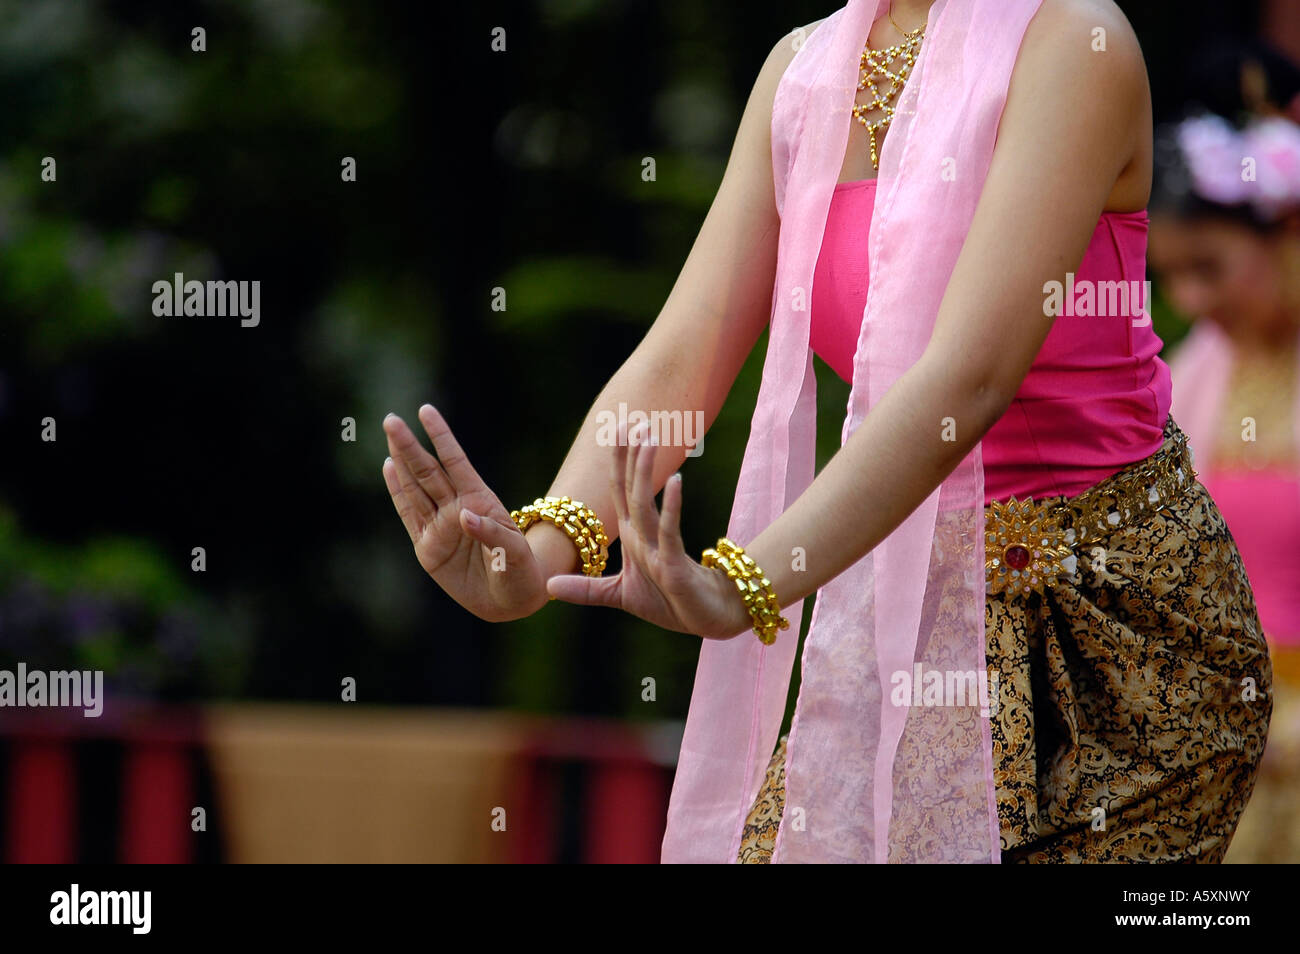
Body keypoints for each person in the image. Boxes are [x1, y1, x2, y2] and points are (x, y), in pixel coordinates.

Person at [381, 0, 1272, 862]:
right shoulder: (801, 72)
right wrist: (536, 558)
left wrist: (747, 586)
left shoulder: (1074, 41)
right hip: (915, 612)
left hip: (1115, 642)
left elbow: (969, 378)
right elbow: (684, 353)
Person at [1146, 46, 1300, 863]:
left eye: (1210, 268)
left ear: (1286, 232)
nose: (1194, 300)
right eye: (1174, 278)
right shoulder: (1191, 374)